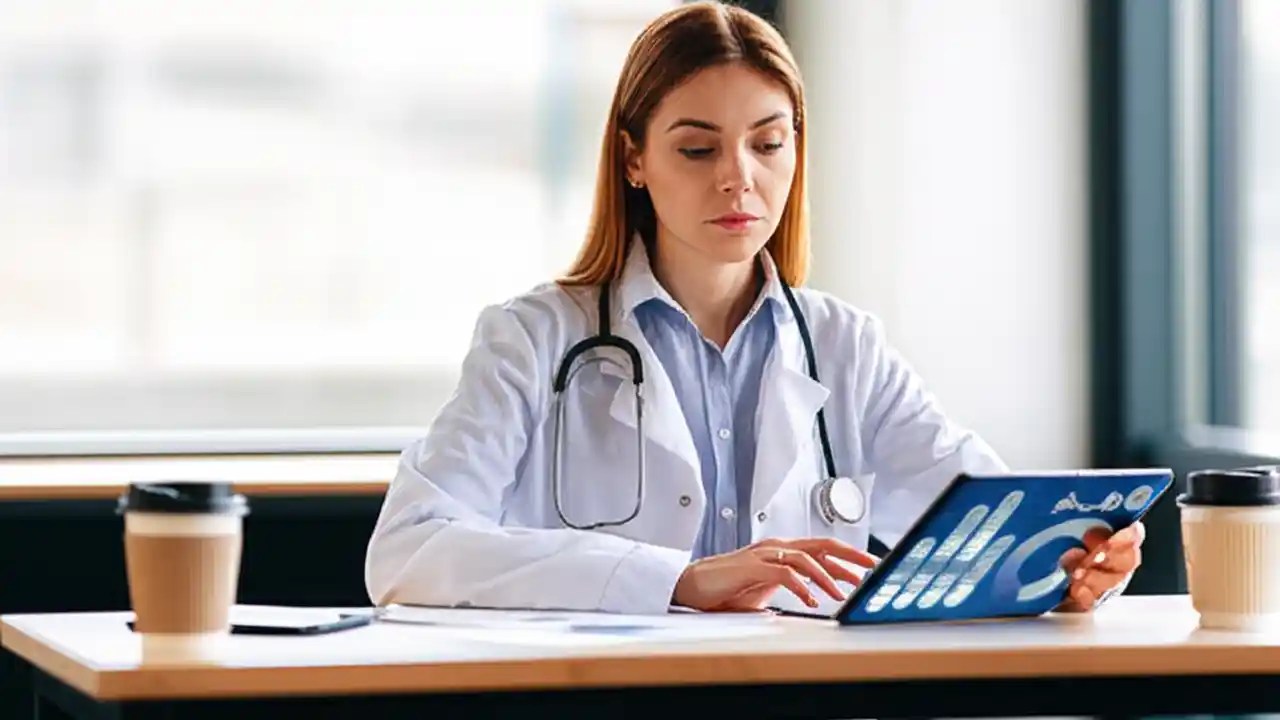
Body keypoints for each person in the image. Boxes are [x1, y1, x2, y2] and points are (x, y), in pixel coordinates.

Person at [363, 1, 1143, 616]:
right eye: (698, 149)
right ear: (634, 159)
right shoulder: (536, 338)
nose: (738, 179)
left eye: (768, 144)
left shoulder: (843, 345)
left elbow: (990, 528)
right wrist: (674, 580)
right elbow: (408, 551)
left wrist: (1075, 562)